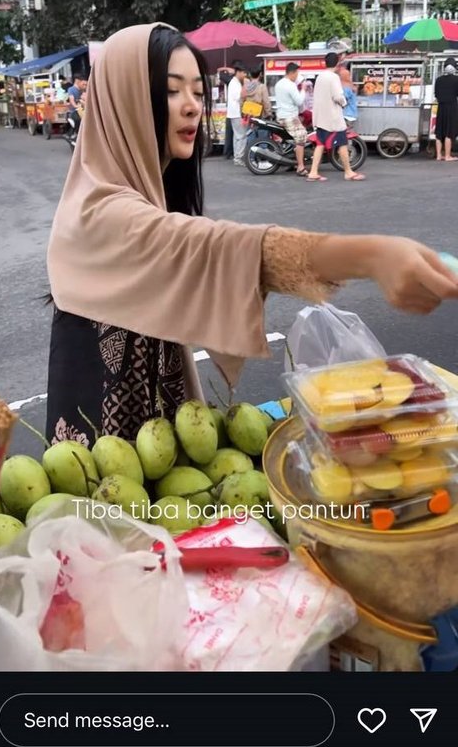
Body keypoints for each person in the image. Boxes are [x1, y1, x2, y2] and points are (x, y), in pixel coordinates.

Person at [44, 22, 458, 446]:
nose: (191, 107)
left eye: (198, 93)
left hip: (160, 450)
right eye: (171, 91)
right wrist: (372, 256)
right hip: (100, 468)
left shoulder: (142, 195)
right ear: (122, 101)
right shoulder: (98, 214)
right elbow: (225, 249)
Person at [308, 52, 365, 183]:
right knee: (342, 143)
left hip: (320, 117)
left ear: (325, 62)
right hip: (333, 118)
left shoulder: (320, 76)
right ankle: (348, 172)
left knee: (320, 144)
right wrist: (345, 103)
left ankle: (313, 172)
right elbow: (338, 96)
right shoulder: (333, 77)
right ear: (338, 63)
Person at [274, 62, 308, 177]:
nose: (297, 76)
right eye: (297, 73)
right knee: (302, 136)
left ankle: (293, 161)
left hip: (281, 115)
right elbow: (299, 101)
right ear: (292, 73)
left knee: (294, 138)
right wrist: (303, 89)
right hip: (289, 117)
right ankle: (300, 166)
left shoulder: (279, 84)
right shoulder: (290, 85)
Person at [434, 63, 458, 162]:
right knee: (449, 131)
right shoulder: (456, 79)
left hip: (441, 106)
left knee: (439, 131)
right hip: (452, 107)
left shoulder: (438, 80)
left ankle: (439, 155)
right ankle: (448, 156)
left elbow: (436, 94)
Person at [226, 62, 248, 166]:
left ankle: (237, 157)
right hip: (236, 113)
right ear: (238, 72)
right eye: (243, 73)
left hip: (234, 113)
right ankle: (239, 158)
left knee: (237, 136)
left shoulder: (235, 82)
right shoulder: (235, 83)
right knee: (241, 136)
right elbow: (241, 96)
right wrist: (246, 84)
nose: (245, 75)